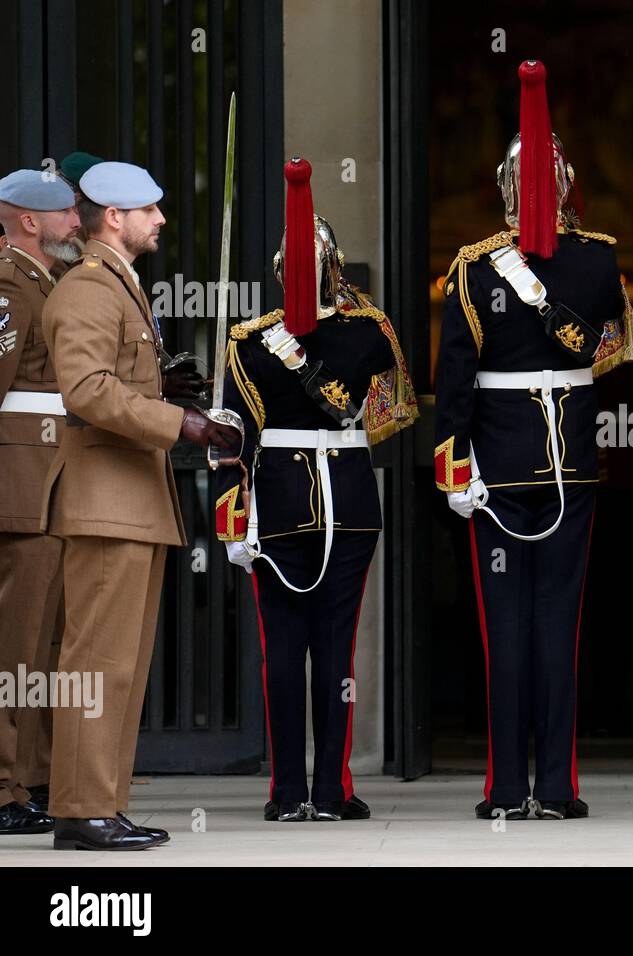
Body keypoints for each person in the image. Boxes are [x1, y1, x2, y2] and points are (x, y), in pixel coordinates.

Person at [433, 61, 633, 820]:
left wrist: (453, 468)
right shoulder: (600, 258)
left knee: (505, 632)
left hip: (496, 470)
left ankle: (504, 788)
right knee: (560, 627)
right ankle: (556, 785)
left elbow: (453, 381)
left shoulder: (470, 266)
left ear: (504, 189)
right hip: (570, 467)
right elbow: (611, 354)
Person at [40, 161, 240, 850]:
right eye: (149, 209)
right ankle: (80, 808)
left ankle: (102, 802)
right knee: (96, 665)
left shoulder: (117, 287)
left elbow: (116, 379)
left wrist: (166, 387)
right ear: (115, 218)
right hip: (104, 501)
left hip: (129, 501)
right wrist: (177, 422)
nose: (160, 219)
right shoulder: (90, 289)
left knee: (119, 666)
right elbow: (88, 392)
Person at [214, 158, 417, 822]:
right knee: (337, 644)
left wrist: (230, 522)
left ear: (279, 271)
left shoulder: (246, 344)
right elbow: (393, 412)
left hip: (276, 500)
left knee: (282, 647)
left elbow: (231, 443)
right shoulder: (369, 331)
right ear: (337, 271)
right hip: (351, 500)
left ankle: (285, 793)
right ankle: (332, 789)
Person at [0, 169, 80, 835]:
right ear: (31, 220)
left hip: (51, 480)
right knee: (16, 646)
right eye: (66, 213)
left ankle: (36, 778)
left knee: (47, 643)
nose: (77, 222)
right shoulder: (9, 281)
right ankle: (4, 789)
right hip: (21, 485)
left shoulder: (45, 280)